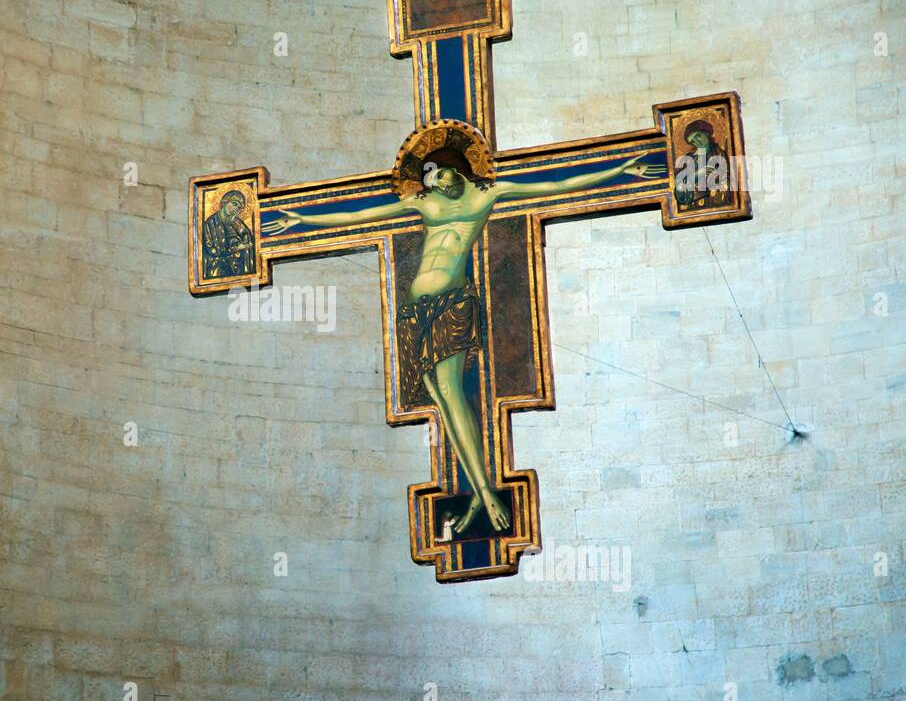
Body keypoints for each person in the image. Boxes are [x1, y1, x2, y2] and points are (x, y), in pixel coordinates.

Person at [263, 147, 663, 534]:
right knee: (436, 394)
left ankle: (485, 492)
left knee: (452, 393)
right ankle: (478, 488)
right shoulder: (426, 203)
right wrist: (300, 218)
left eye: (440, 174)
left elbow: (556, 186)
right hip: (417, 312)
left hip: (453, 302)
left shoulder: (489, 193)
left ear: (458, 169)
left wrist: (620, 171)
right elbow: (362, 214)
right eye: (429, 179)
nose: (436, 184)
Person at [674, 120, 731, 209]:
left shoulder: (720, 154)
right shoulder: (688, 160)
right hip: (694, 207)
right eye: (693, 141)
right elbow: (680, 194)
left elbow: (727, 182)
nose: (697, 142)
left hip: (715, 203)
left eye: (698, 136)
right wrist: (696, 176)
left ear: (706, 133)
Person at [202, 189, 255, 278]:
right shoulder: (210, 223)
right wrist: (235, 249)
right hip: (217, 268)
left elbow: (247, 240)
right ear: (224, 203)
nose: (235, 209)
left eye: (238, 208)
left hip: (236, 267)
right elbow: (212, 250)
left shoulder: (238, 223)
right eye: (234, 204)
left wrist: (238, 228)